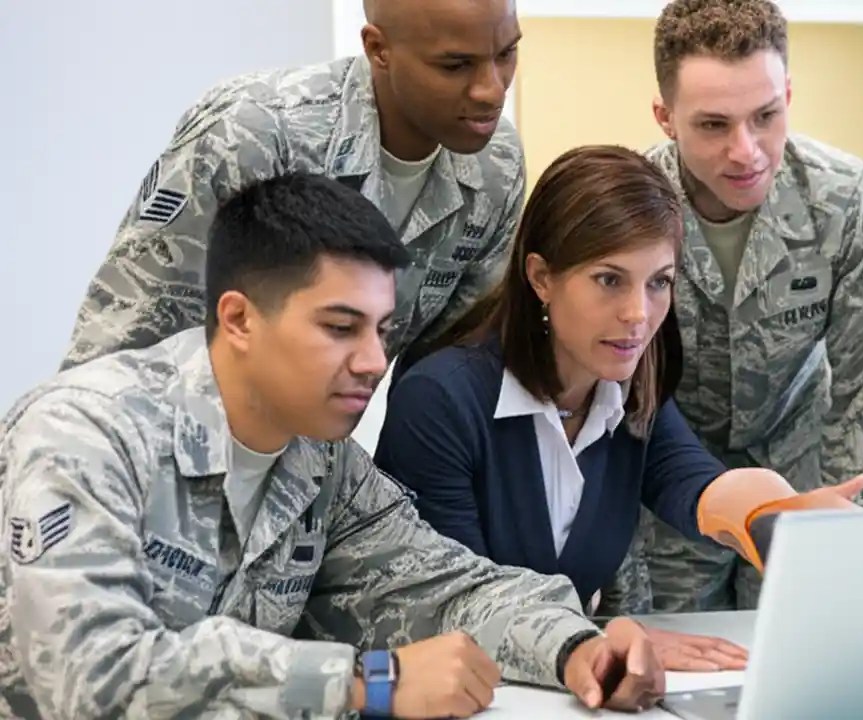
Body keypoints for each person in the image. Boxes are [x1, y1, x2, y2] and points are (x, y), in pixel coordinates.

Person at [0, 172, 665, 720]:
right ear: (239, 319)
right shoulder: (83, 434)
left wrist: (578, 649)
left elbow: (445, 587)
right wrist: (366, 683)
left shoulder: (319, 459)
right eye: (341, 328)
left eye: (381, 330)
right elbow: (93, 674)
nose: (374, 361)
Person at [373, 144, 863, 670]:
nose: (638, 314)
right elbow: (459, 605)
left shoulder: (629, 390)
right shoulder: (439, 401)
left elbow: (697, 484)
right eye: (610, 280)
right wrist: (596, 639)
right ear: (541, 277)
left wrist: (775, 514)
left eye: (659, 283)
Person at [630, 0, 863, 614]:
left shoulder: (848, 204)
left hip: (805, 477)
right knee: (678, 662)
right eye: (714, 125)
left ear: (788, 94)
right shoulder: (627, 212)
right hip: (670, 490)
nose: (746, 151)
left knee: (815, 652)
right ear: (665, 117)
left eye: (766, 116)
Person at [62, 0, 525, 380]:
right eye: (455, 65)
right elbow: (115, 357)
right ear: (378, 49)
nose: (491, 91)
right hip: (171, 446)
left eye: (506, 54)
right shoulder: (254, 133)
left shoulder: (496, 167)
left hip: (309, 453)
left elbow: (443, 379)